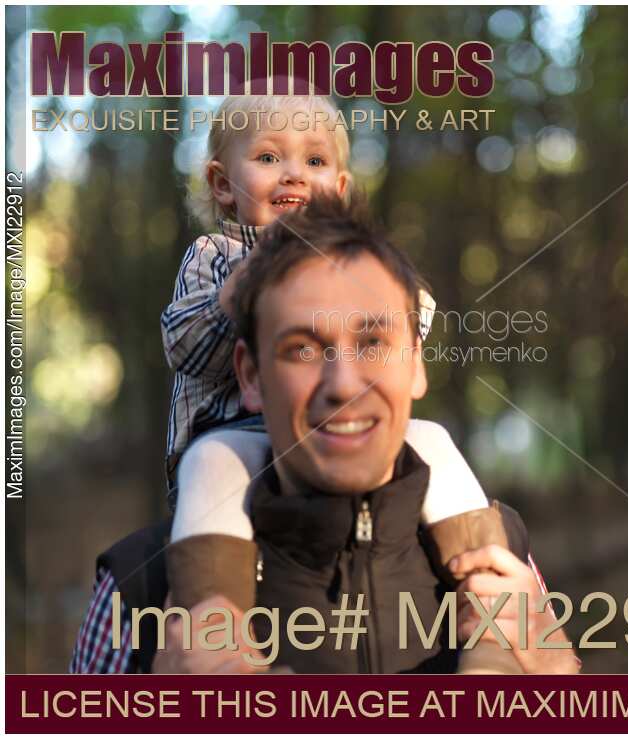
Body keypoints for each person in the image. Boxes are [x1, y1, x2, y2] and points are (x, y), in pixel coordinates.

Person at [71, 195, 581, 675]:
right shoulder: (138, 589)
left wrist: (557, 680)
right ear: (251, 376)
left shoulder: (504, 567)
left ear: (416, 363)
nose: (343, 385)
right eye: (302, 349)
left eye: (373, 342)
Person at [166, 90, 490, 616]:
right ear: (223, 184)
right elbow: (184, 346)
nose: (293, 175)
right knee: (210, 461)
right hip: (236, 442)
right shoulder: (215, 257)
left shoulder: (354, 262)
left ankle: (489, 587)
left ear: (338, 190)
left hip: (340, 436)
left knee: (430, 437)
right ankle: (212, 624)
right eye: (268, 157)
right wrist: (251, 277)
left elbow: (416, 317)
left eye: (315, 161)